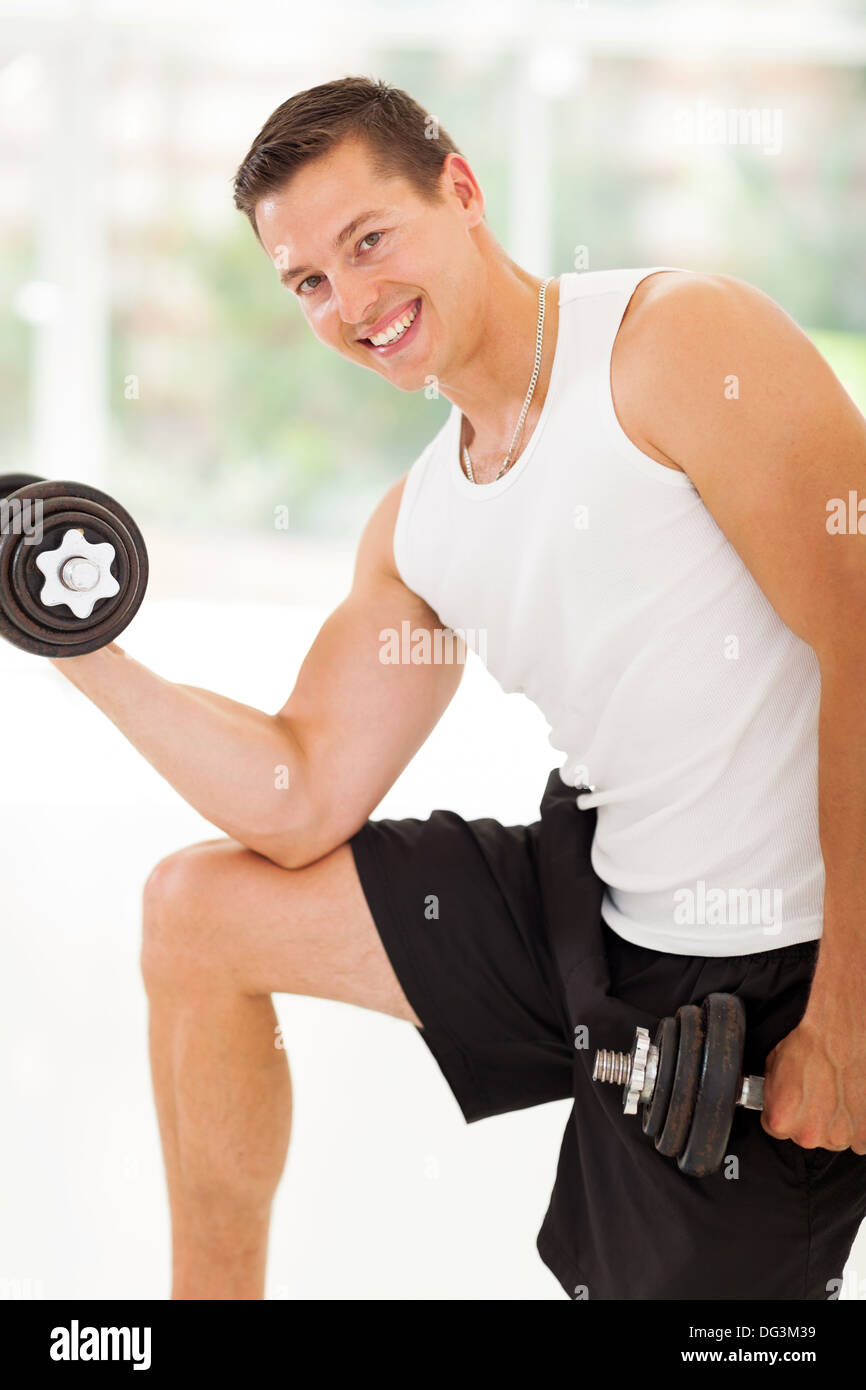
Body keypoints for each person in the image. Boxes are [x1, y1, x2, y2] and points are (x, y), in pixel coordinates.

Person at [53, 76, 866, 1300]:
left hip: (774, 955)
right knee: (196, 912)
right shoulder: (419, 523)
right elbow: (298, 791)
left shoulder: (678, 348)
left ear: (461, 188)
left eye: (366, 241)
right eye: (309, 283)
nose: (351, 302)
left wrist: (851, 1010)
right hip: (595, 898)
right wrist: (83, 649)